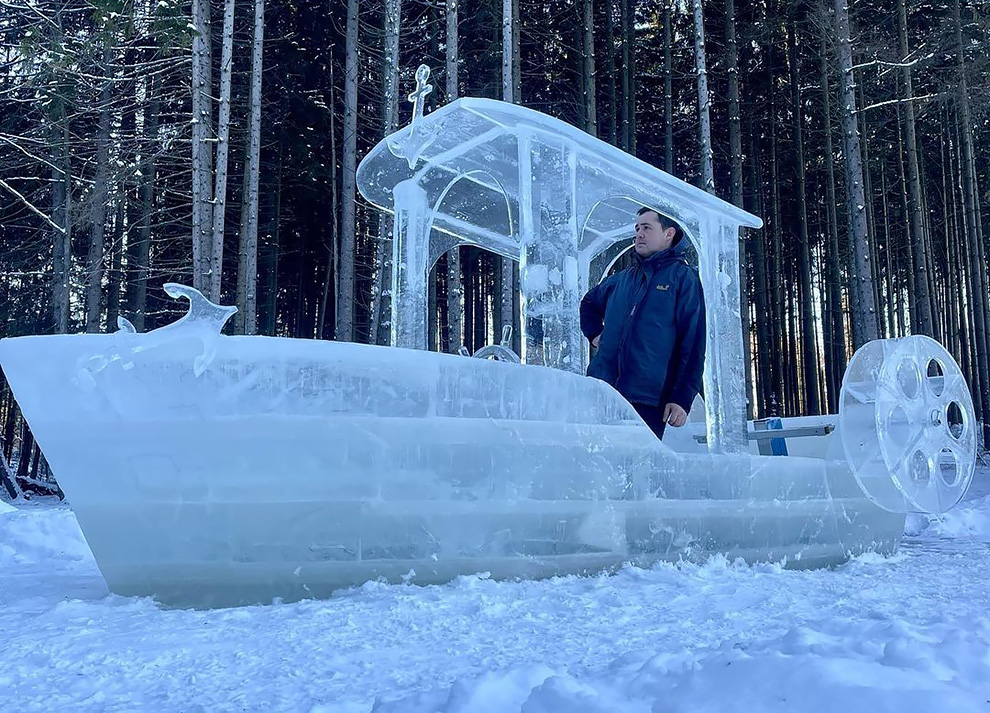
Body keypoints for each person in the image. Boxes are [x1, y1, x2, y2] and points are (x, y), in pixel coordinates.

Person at [580, 207, 706, 440]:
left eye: (646, 228)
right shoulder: (622, 279)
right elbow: (589, 302)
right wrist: (596, 334)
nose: (638, 234)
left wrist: (681, 399)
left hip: (647, 399)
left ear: (669, 233)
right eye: (637, 228)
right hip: (601, 392)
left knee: (636, 470)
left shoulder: (683, 278)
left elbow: (694, 343)